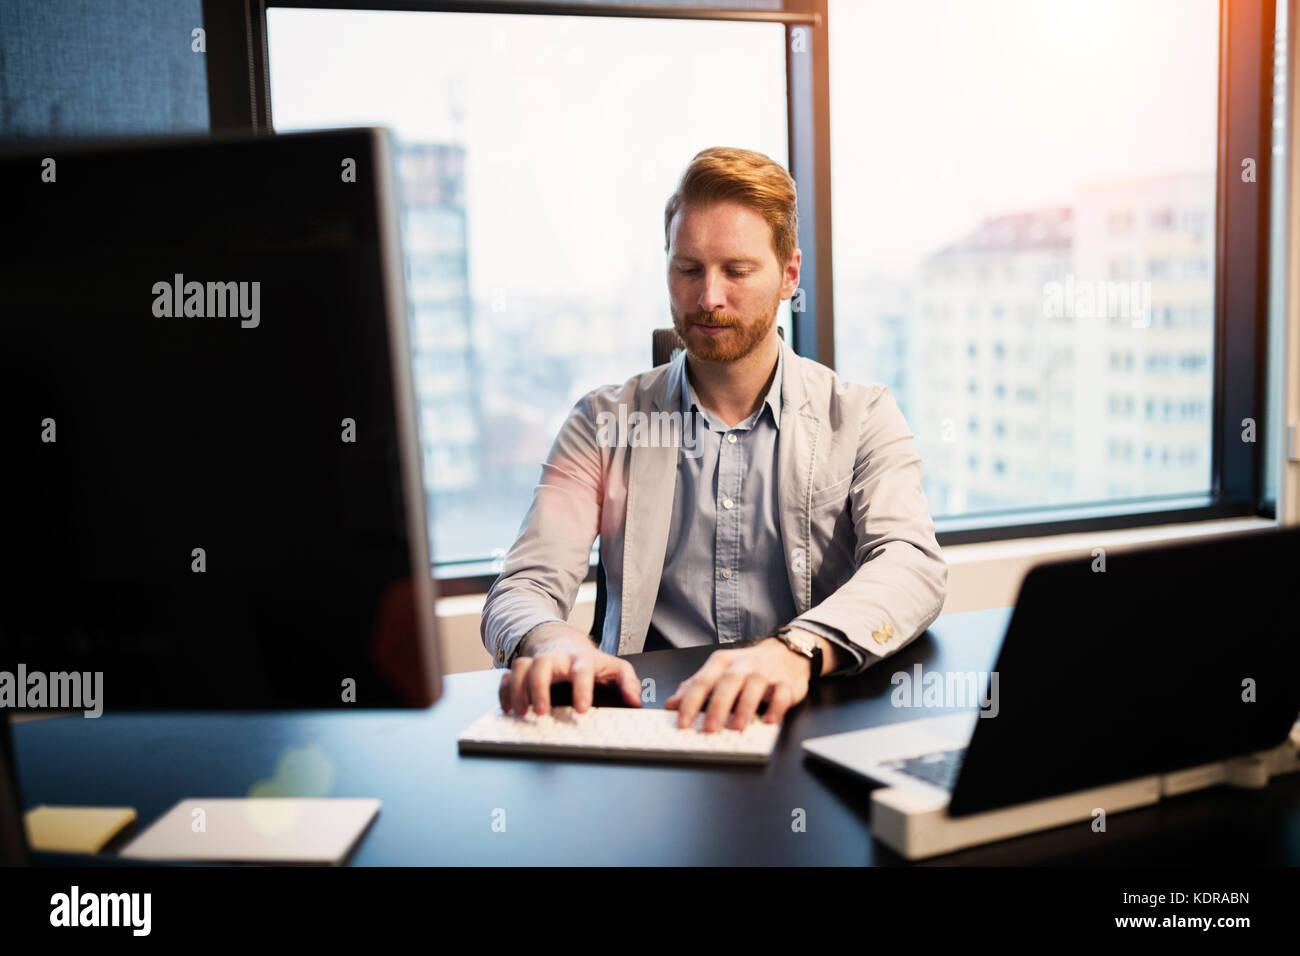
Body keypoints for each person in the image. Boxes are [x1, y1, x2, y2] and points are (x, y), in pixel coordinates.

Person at [481, 147, 947, 732]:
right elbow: (522, 585)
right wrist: (548, 639)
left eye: (736, 270)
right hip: (650, 721)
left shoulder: (862, 417)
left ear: (790, 275)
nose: (708, 298)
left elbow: (911, 565)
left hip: (807, 716)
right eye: (689, 269)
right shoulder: (604, 421)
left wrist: (794, 650)